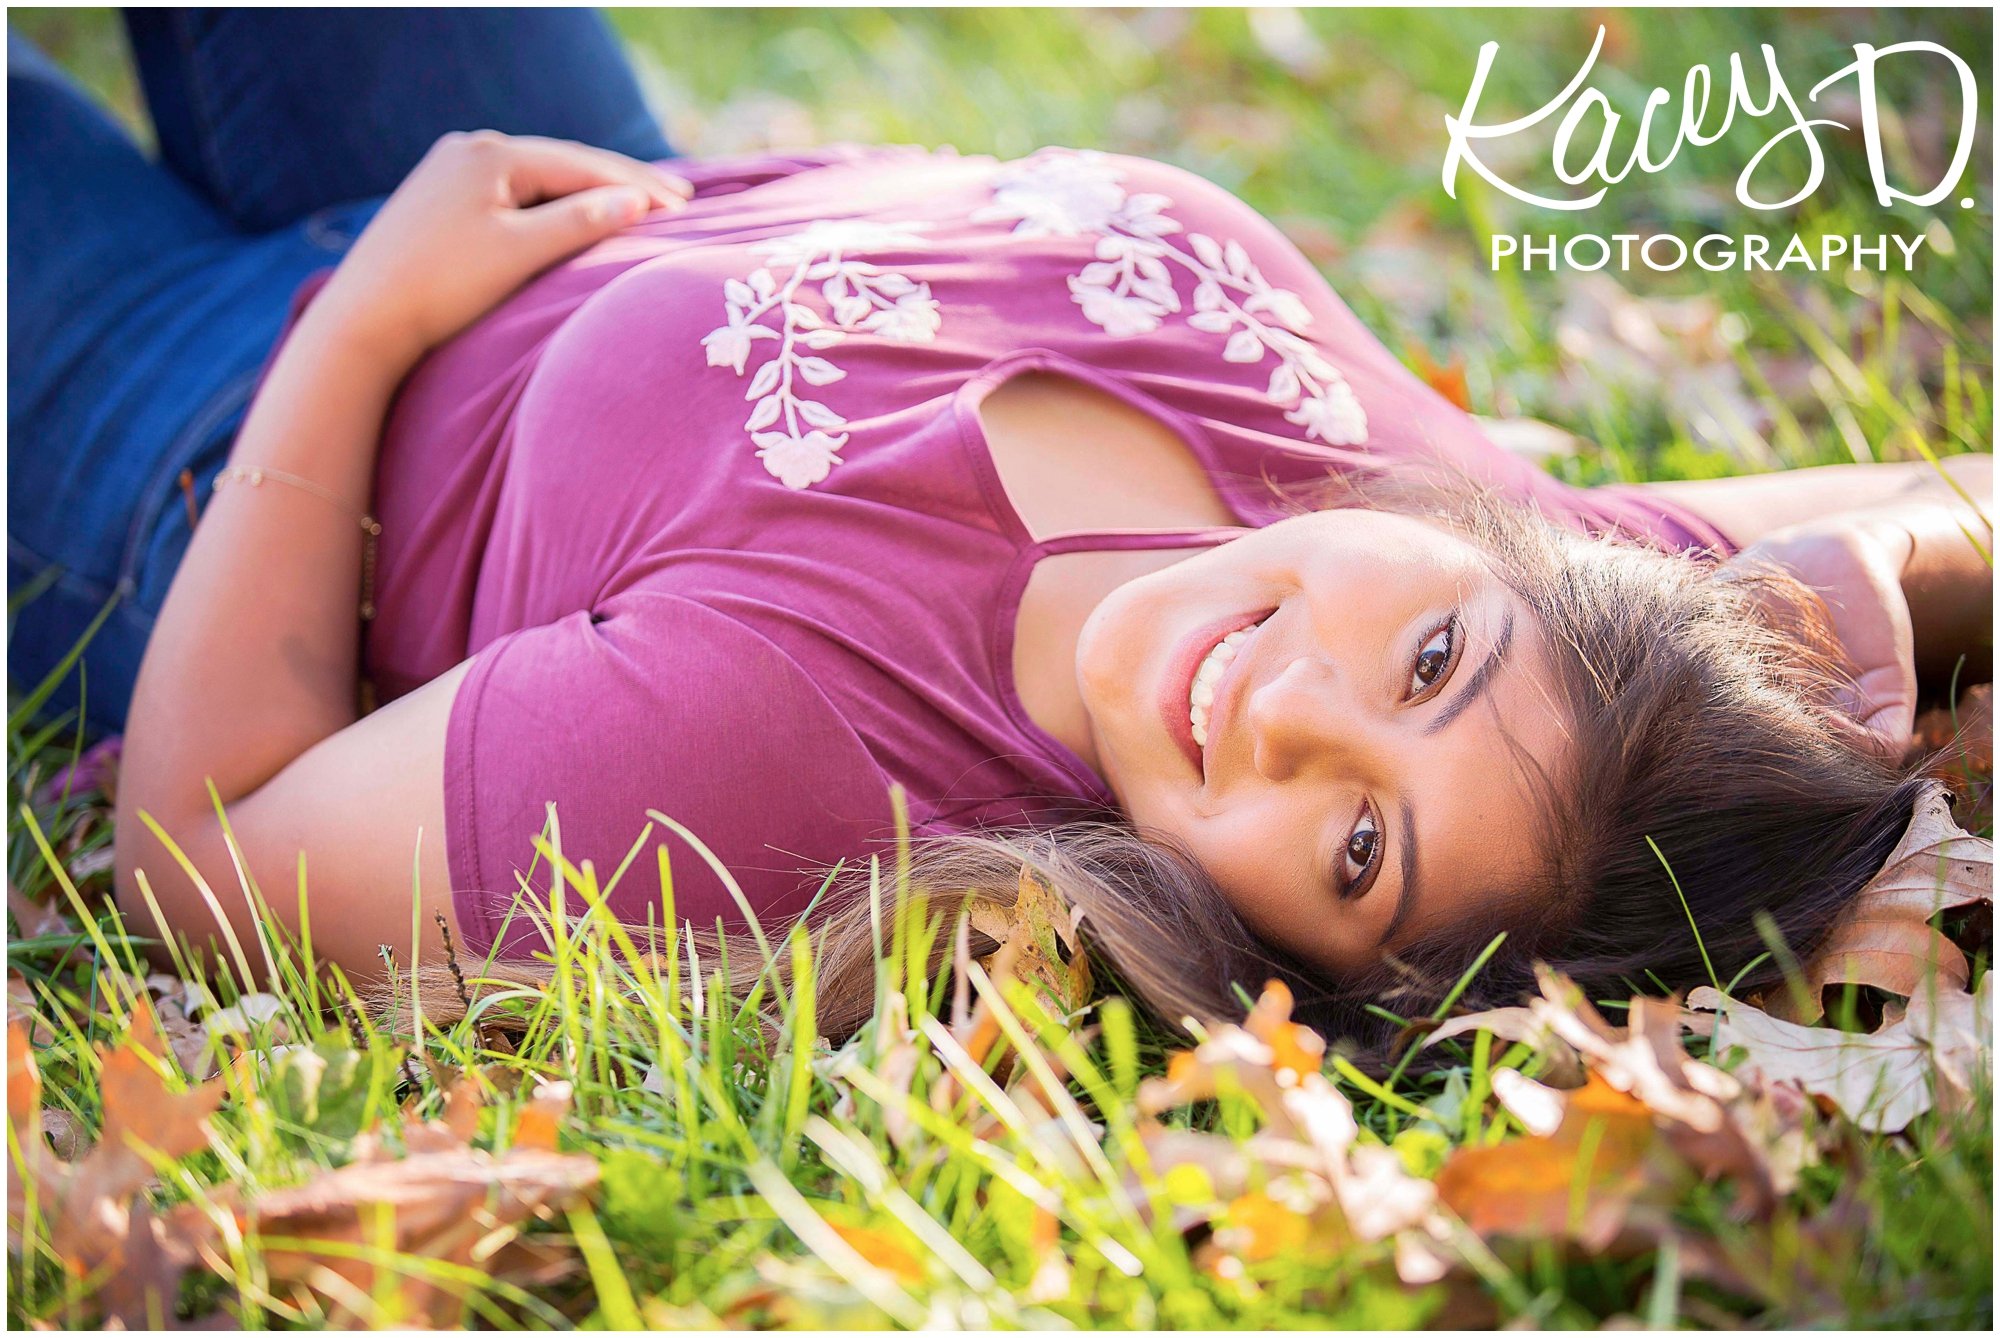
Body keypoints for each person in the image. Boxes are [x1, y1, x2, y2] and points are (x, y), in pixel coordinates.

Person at [11, 11, 1988, 1046]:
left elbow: (202, 858)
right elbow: (1940, 516)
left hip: (210, 442)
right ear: (1518, 566)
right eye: (1426, 661)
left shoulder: (784, 759)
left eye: (1359, 846)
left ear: (1295, 956)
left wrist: (361, 329)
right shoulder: (1485, 560)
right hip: (545, 176)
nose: (1291, 711)